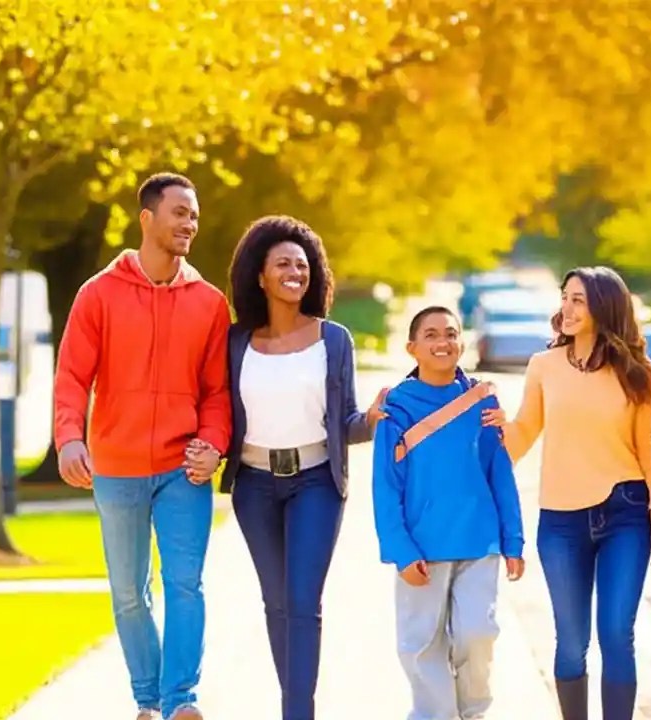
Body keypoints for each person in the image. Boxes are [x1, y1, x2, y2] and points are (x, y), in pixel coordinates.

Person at [183, 215, 385, 720]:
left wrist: (376, 420)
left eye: (302, 264)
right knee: (275, 602)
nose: (295, 272)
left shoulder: (333, 340)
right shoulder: (235, 343)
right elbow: (223, 415)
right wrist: (214, 449)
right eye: (283, 264)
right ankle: (293, 706)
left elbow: (345, 423)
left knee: (302, 600)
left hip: (317, 482)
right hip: (253, 486)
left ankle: (298, 713)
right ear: (260, 275)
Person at [53, 172, 229, 720]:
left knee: (185, 586)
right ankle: (147, 701)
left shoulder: (209, 303)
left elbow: (218, 391)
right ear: (147, 218)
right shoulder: (98, 294)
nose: (189, 223)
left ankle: (182, 702)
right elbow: (72, 377)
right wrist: (67, 439)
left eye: (194, 214)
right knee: (130, 591)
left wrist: (213, 444)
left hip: (184, 469)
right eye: (179, 212)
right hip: (117, 466)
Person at [489, 266, 651, 720]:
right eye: (565, 298)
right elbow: (524, 433)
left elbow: (648, 452)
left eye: (579, 300)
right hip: (561, 521)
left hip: (625, 512)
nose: (567, 309)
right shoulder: (543, 366)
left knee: (616, 633)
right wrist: (493, 428)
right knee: (571, 644)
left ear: (604, 307)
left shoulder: (636, 374)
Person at [371, 306, 525, 720]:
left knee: (478, 634)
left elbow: (500, 474)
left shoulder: (482, 400)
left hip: (480, 540)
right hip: (422, 546)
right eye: (432, 335)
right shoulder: (397, 408)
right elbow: (386, 486)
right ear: (412, 347)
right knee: (421, 644)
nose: (443, 342)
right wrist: (399, 549)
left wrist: (514, 540)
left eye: (451, 334)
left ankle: (472, 713)